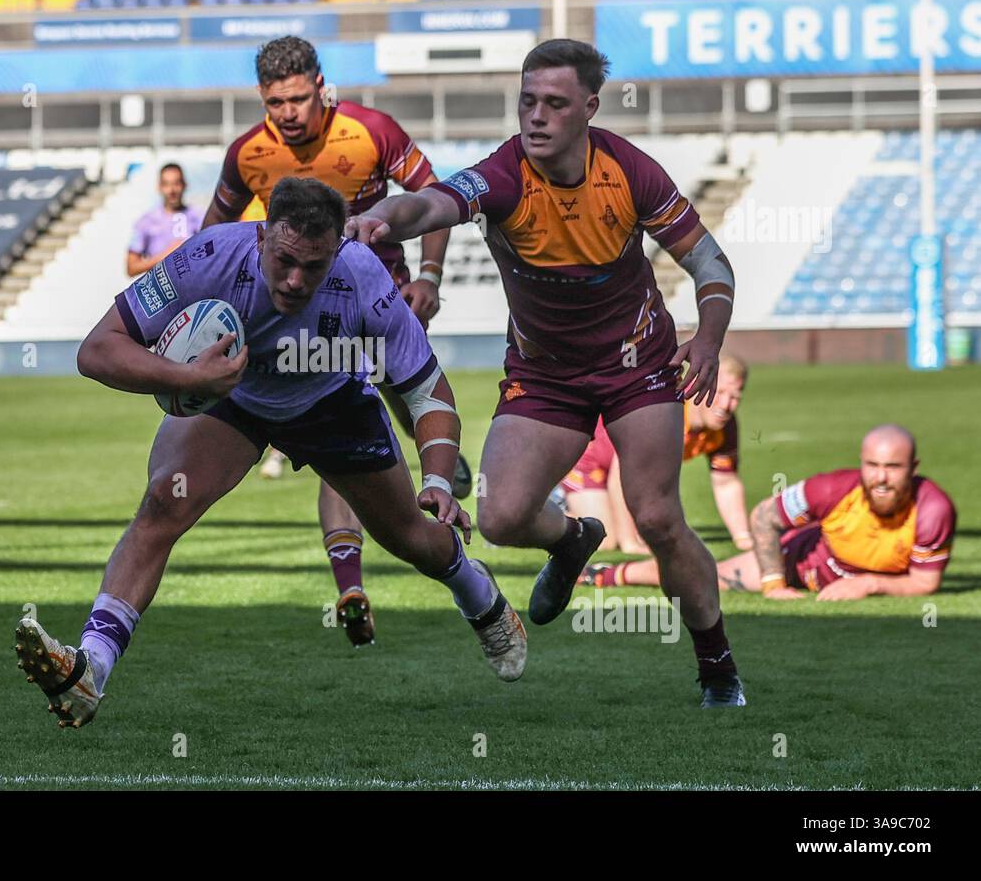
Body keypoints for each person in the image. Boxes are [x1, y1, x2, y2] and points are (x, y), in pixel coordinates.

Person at [15, 177, 527, 729]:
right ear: (262, 237)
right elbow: (97, 349)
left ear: (337, 250)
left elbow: (427, 390)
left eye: (314, 266)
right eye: (284, 259)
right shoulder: (208, 256)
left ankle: (480, 598)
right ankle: (91, 668)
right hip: (235, 396)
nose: (295, 279)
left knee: (410, 539)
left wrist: (438, 478)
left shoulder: (362, 275)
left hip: (330, 399)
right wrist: (188, 376)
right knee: (164, 501)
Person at [344, 38, 746, 707]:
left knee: (657, 518)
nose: (535, 117)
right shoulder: (503, 175)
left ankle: (717, 668)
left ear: (588, 108)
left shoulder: (630, 171)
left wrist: (708, 337)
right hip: (545, 375)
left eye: (554, 104)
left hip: (637, 366)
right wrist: (378, 220)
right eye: (527, 101)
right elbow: (429, 204)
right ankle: (575, 538)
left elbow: (712, 263)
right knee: (499, 518)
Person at [201, 35, 471, 647]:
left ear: (320, 85)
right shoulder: (247, 153)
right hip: (288, 318)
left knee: (389, 404)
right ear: (262, 99)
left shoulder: (372, 130)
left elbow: (433, 201)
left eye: (298, 98)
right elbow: (212, 233)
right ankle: (352, 579)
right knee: (342, 420)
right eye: (276, 103)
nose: (288, 113)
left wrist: (428, 277)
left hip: (378, 305)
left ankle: (437, 457)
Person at [614, 425, 953, 600]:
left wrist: (868, 584)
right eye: (872, 465)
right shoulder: (832, 488)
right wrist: (774, 584)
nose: (880, 477)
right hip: (799, 559)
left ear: (913, 468)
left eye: (892, 467)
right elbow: (764, 515)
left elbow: (925, 581)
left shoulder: (933, 510)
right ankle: (606, 575)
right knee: (704, 579)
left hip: (855, 573)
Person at [574, 355, 754, 563]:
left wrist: (743, 537)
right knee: (604, 540)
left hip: (628, 470)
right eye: (719, 392)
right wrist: (629, 540)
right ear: (696, 384)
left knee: (608, 532)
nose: (726, 405)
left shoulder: (725, 424)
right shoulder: (666, 410)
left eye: (735, 396)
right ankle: (555, 496)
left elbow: (726, 482)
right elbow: (620, 473)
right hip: (587, 459)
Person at [126, 163, 204, 277]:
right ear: (159, 187)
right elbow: (131, 268)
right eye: (166, 184)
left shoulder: (199, 216)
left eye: (176, 184)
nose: (171, 190)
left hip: (196, 291)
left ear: (184, 185)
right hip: (164, 291)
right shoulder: (146, 221)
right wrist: (165, 257)